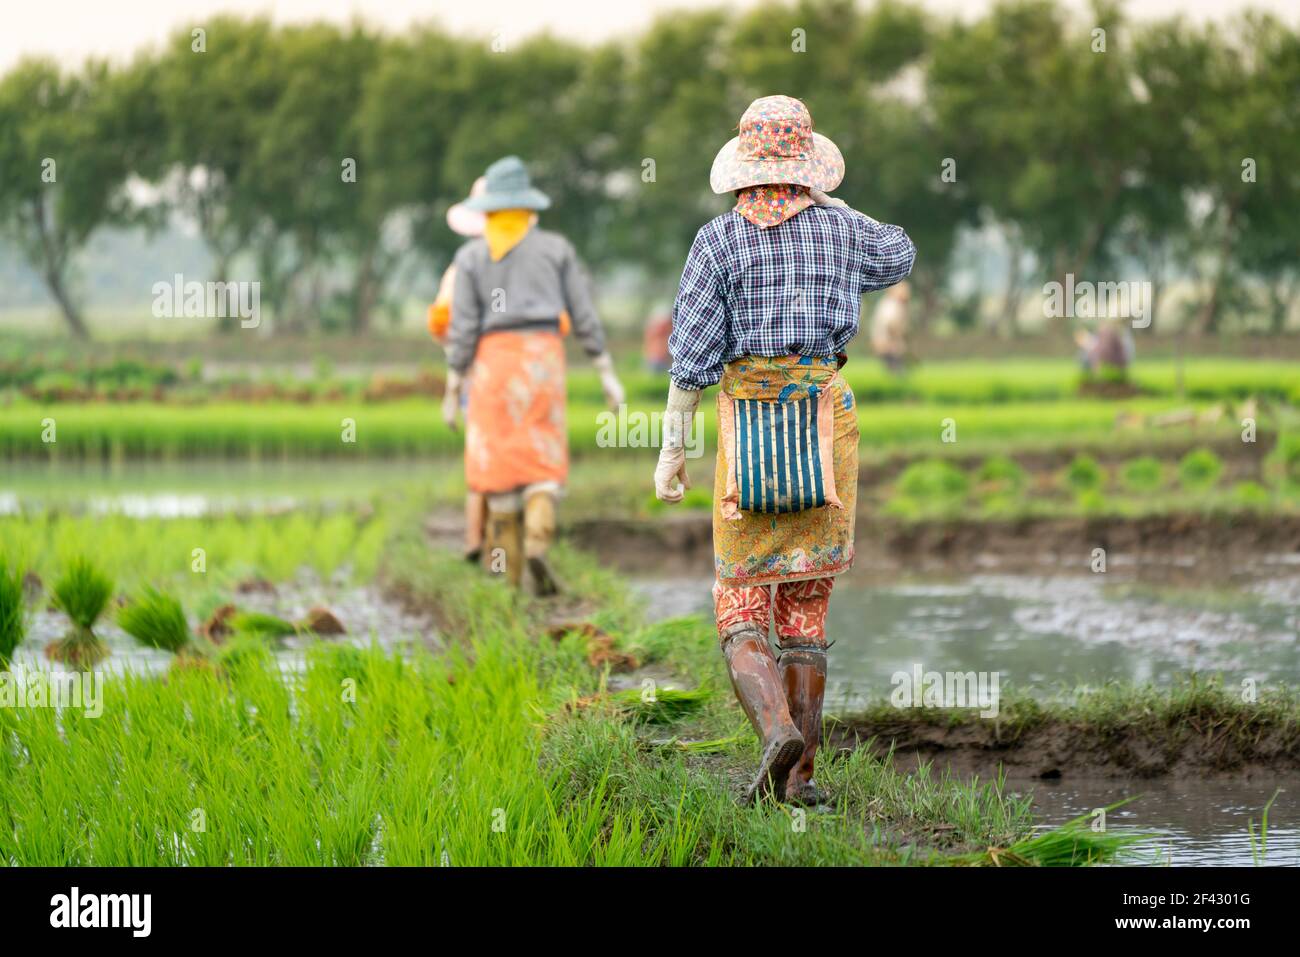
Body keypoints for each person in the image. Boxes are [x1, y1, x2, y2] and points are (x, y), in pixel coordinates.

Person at [652, 96, 915, 805]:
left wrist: (670, 453)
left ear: (742, 169)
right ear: (809, 168)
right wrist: (832, 203)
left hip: (751, 430)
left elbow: (690, 362)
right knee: (806, 605)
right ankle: (802, 780)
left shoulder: (716, 241)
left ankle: (775, 728)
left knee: (741, 601)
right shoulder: (841, 231)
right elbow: (901, 250)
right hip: (826, 422)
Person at [443, 156, 624, 594]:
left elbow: (462, 328)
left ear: (488, 209)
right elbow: (583, 315)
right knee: (542, 459)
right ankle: (540, 541)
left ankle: (508, 583)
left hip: (492, 364)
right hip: (542, 361)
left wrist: (452, 389)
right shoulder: (555, 249)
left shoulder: (470, 257)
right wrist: (606, 373)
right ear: (527, 207)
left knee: (500, 476)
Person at [870, 281, 911, 373]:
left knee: (896, 371)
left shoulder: (891, 303)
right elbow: (891, 325)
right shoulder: (891, 304)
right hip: (887, 344)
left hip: (888, 343)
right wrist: (897, 341)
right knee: (896, 371)